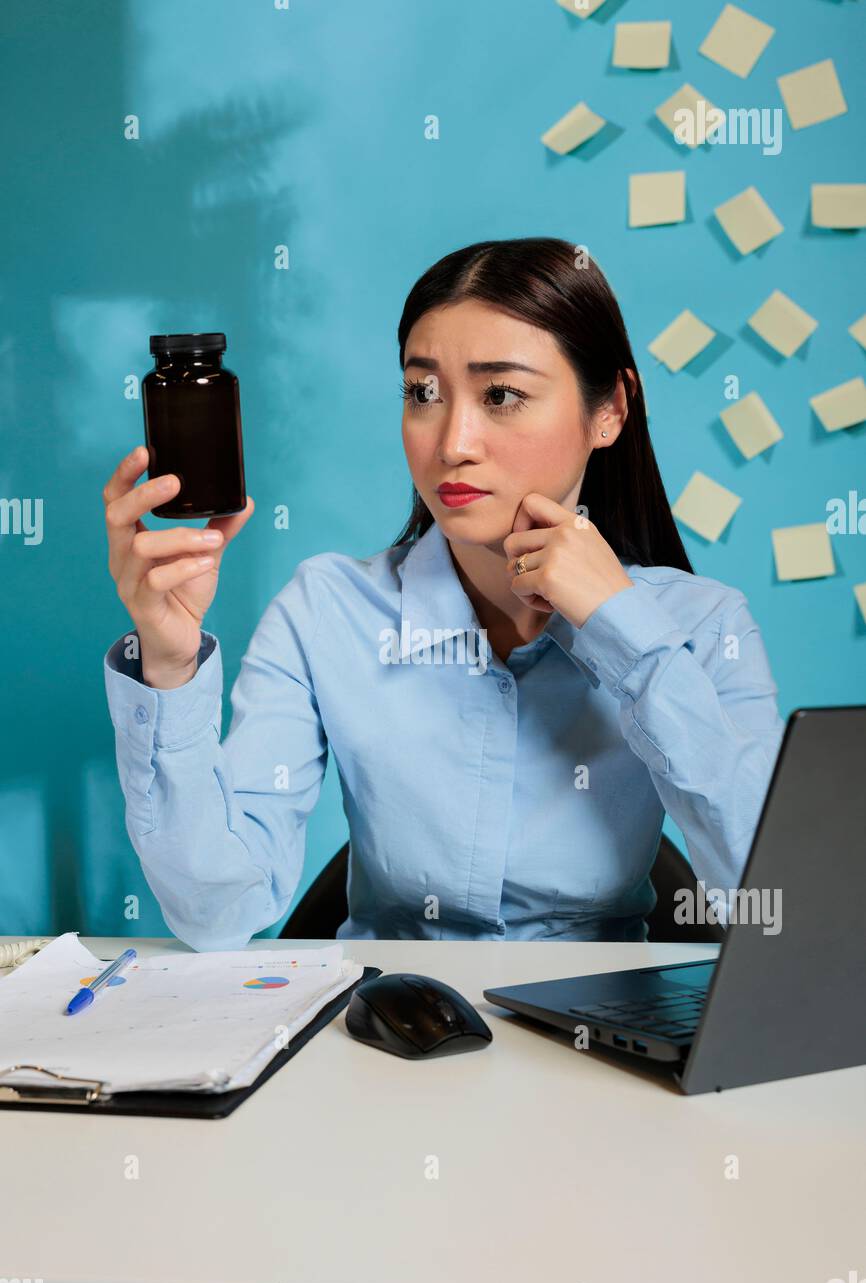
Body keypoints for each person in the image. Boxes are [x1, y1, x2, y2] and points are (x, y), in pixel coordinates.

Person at [103, 237, 784, 949]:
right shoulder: (326, 610)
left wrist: (623, 632)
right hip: (380, 1039)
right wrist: (171, 666)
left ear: (609, 409)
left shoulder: (701, 627)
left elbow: (774, 902)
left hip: (598, 1044)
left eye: (503, 395)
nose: (454, 441)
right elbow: (217, 914)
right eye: (423, 392)